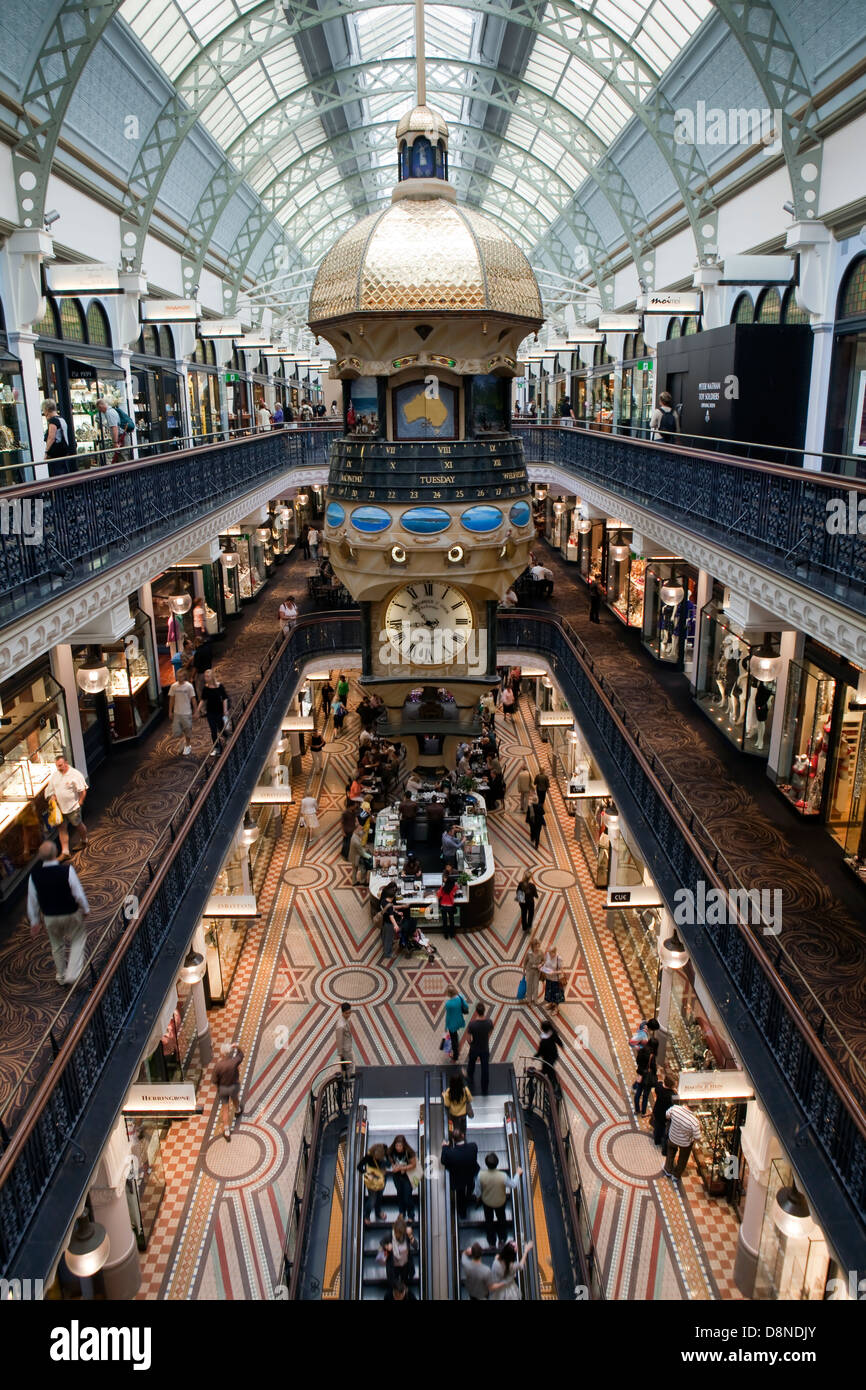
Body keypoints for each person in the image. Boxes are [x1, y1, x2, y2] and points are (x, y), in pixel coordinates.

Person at [27, 839, 90, 985]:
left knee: (56, 946)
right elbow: (78, 893)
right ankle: (72, 973)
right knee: (78, 938)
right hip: (70, 912)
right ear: (56, 853)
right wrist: (85, 909)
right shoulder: (66, 870)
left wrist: (35, 922)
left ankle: (61, 976)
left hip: (50, 917)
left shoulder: (34, 876)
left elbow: (32, 901)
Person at [46, 753, 89, 858]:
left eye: (60, 765)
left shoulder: (75, 774)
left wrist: (80, 802)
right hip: (60, 808)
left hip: (73, 807)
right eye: (57, 766)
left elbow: (83, 790)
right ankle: (65, 852)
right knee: (62, 828)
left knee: (78, 824)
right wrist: (52, 797)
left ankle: (84, 840)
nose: (59, 768)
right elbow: (50, 789)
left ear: (66, 763)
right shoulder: (55, 776)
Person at [479, 1153, 521, 1251]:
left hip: (487, 1202)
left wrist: (478, 1197)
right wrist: (518, 1173)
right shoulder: (503, 1176)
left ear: (486, 1164)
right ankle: (502, 1239)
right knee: (501, 1220)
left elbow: (477, 1190)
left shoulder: (481, 1175)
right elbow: (513, 1184)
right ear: (497, 1164)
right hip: (500, 1202)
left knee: (489, 1221)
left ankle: (491, 1242)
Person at [440, 1132, 479, 1219]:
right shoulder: (473, 1146)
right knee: (470, 1186)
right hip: (470, 1174)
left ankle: (462, 1213)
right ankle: (469, 1196)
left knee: (460, 1194)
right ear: (463, 1136)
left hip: (457, 1178)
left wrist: (445, 1147)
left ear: (453, 1140)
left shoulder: (450, 1153)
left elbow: (443, 1161)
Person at [663, 1101, 702, 1184]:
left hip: (673, 1137)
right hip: (685, 1143)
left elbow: (667, 1115)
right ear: (695, 1108)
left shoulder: (675, 1108)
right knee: (682, 1159)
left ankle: (668, 1169)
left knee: (670, 1153)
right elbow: (698, 1137)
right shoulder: (694, 1122)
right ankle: (676, 1175)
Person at [213, 1041, 244, 1142]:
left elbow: (214, 1080)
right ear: (229, 1052)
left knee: (225, 1109)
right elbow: (241, 1054)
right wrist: (237, 1047)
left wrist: (219, 1086)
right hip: (233, 1087)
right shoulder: (234, 1062)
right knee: (235, 1099)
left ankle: (227, 1131)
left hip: (223, 1089)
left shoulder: (218, 1066)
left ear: (222, 1053)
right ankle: (238, 1110)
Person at [381, 1213, 418, 1290]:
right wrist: (387, 1246)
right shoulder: (389, 1236)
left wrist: (410, 1236)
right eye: (398, 1235)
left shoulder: (406, 1235)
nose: (399, 1237)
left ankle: (404, 1289)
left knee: (404, 1280)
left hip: (405, 1265)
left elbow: (415, 1246)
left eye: (401, 1235)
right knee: (394, 1283)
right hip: (394, 1265)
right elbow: (382, 1243)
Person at [197, 669, 230, 755]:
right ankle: (217, 748)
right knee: (213, 731)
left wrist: (225, 710)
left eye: (207, 676)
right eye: (205, 676)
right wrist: (197, 710)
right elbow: (203, 700)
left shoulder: (219, 686)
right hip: (210, 712)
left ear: (211, 677)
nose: (205, 678)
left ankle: (227, 737)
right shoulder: (206, 688)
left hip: (219, 711)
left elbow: (225, 698)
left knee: (220, 728)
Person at [466, 1002, 493, 1096]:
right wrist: (485, 1039)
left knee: (471, 1065)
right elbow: (490, 1032)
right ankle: (484, 1089)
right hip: (485, 1048)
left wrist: (472, 1044)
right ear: (484, 1011)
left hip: (474, 1048)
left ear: (476, 1011)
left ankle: (470, 1081)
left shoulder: (472, 1024)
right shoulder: (489, 1022)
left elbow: (468, 1039)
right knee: (485, 1068)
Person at [386, 1139, 418, 1219]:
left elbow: (414, 1165)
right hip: (397, 1177)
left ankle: (411, 1214)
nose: (398, 1148)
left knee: (407, 1196)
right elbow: (389, 1157)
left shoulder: (409, 1152)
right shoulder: (392, 1151)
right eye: (396, 1146)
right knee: (400, 1195)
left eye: (400, 1146)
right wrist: (393, 1165)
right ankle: (402, 1212)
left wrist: (402, 1168)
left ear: (404, 1145)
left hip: (408, 1177)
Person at [168, 669, 196, 757]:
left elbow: (193, 699)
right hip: (177, 713)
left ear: (184, 677)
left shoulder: (189, 686)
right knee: (176, 732)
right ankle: (182, 741)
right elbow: (171, 699)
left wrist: (196, 711)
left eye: (181, 676)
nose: (179, 678)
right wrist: (170, 711)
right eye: (177, 676)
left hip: (186, 712)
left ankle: (188, 745)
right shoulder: (174, 686)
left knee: (187, 730)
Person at [358, 1142, 388, 1224]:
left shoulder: (384, 1151)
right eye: (377, 1157)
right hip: (372, 1181)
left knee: (379, 1197)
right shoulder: (369, 1156)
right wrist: (367, 1174)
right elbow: (359, 1167)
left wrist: (385, 1166)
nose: (378, 1159)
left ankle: (378, 1212)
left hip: (382, 1179)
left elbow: (388, 1163)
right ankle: (366, 1216)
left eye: (380, 1157)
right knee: (372, 1199)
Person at [442, 1068, 473, 1139]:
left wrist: (444, 1096)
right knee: (463, 1128)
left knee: (452, 1128)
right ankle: (463, 1138)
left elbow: (447, 1104)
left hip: (453, 1115)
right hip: (463, 1115)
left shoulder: (448, 1092)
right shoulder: (465, 1091)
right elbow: (470, 1099)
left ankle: (452, 1138)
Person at [42, 398, 71, 471]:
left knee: (56, 472)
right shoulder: (61, 419)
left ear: (47, 409)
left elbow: (51, 437)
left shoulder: (53, 421)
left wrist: (46, 451)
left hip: (56, 453)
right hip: (64, 451)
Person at [633, 1037, 659, 1116]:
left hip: (641, 1074)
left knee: (638, 1093)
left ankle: (637, 1110)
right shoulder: (652, 1056)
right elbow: (654, 1068)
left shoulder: (642, 1050)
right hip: (648, 1078)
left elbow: (637, 1061)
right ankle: (643, 1112)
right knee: (645, 1096)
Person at [651, 1074, 679, 1148]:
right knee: (663, 1127)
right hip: (665, 1115)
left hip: (657, 1110)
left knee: (657, 1125)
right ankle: (660, 1140)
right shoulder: (671, 1095)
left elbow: (660, 1084)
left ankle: (656, 1139)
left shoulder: (659, 1087)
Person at [535, 1021, 562, 1094]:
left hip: (548, 1056)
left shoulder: (544, 1040)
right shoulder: (552, 1033)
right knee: (547, 1067)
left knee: (549, 1070)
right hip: (553, 1055)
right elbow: (558, 1041)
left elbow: (541, 1050)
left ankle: (554, 1086)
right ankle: (546, 1077)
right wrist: (561, 1046)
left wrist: (536, 1056)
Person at [96, 397, 125, 463]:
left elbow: (114, 428)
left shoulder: (109, 413)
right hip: (120, 437)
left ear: (100, 406)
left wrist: (115, 442)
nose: (100, 411)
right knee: (120, 458)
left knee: (123, 459)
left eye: (99, 409)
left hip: (120, 438)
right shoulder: (111, 411)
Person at [444, 983, 468, 1060]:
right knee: (455, 1035)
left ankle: (455, 1055)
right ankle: (457, 1047)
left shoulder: (448, 1004)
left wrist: (446, 1026)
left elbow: (448, 1016)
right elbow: (466, 1006)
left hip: (452, 1024)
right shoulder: (460, 997)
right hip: (459, 1020)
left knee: (453, 1039)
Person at [541, 945, 565, 1015]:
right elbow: (545, 962)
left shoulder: (559, 959)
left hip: (556, 980)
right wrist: (542, 966)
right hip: (548, 978)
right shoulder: (548, 954)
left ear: (554, 952)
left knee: (556, 995)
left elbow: (561, 971)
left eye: (551, 953)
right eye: (549, 953)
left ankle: (556, 1009)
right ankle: (551, 1004)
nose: (550, 955)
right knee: (549, 992)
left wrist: (553, 972)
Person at [335, 1002, 354, 1079]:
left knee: (346, 1064)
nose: (349, 1015)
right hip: (345, 1049)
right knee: (349, 1064)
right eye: (347, 1013)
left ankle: (347, 1076)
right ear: (342, 1012)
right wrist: (340, 1052)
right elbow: (339, 1040)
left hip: (347, 1046)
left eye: (350, 1012)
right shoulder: (340, 1025)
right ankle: (347, 1078)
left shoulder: (345, 1019)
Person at [437, 873, 459, 940]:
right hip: (450, 906)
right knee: (452, 921)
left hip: (443, 906)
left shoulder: (443, 887)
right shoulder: (454, 886)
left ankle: (446, 935)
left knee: (445, 921)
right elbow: (457, 888)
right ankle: (452, 934)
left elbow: (439, 895)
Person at [191, 634, 213, 699]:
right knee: (210, 688)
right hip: (209, 672)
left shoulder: (198, 652)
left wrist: (192, 677)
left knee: (200, 691)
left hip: (201, 674)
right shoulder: (208, 648)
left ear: (197, 642)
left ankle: (203, 708)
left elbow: (196, 666)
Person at [524, 937, 543, 1005]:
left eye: (538, 946)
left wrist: (541, 964)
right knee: (529, 985)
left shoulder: (541, 953)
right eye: (536, 947)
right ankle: (529, 999)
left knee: (536, 985)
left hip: (537, 971)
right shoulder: (529, 953)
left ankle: (535, 999)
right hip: (529, 970)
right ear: (532, 946)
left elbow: (544, 960)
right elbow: (525, 962)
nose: (537, 948)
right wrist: (524, 971)